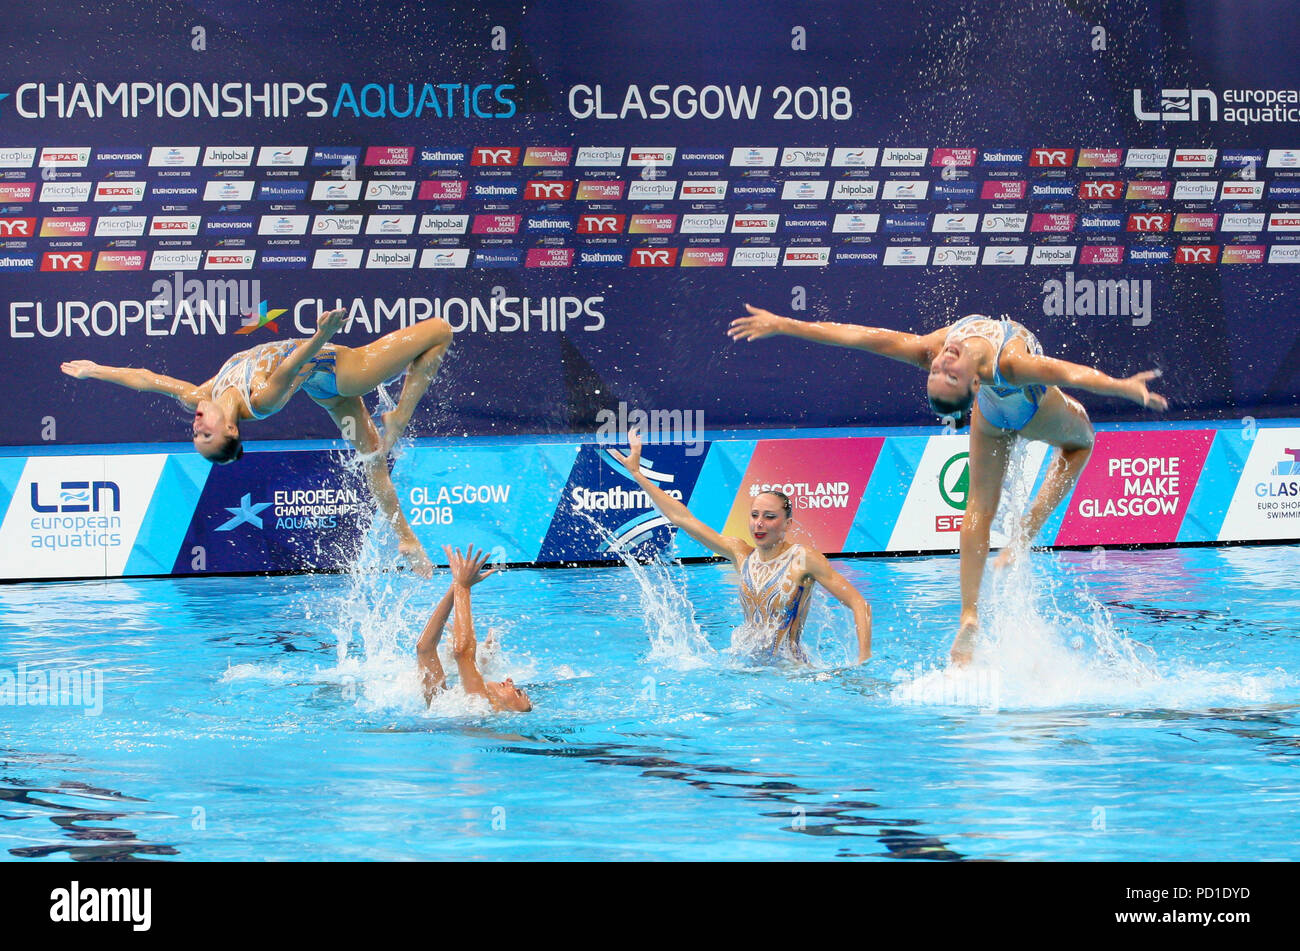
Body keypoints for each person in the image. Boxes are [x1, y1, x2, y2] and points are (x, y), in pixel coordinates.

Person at [727, 304, 1168, 666]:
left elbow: (858, 334)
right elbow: (1068, 373)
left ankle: (989, 585)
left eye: (940, 368)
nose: (943, 360)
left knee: (983, 505)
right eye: (945, 370)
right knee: (1079, 445)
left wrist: (785, 325)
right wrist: (1121, 387)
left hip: (996, 415)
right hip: (1024, 407)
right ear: (974, 384)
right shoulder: (1010, 364)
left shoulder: (933, 349)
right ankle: (995, 578)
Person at [60, 308, 451, 577]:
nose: (196, 425)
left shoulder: (201, 394)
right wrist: (323, 334)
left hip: (323, 387)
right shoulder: (261, 400)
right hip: (345, 372)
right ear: (231, 431)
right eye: (206, 435)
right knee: (439, 330)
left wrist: (96, 370)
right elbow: (290, 366)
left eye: (196, 434)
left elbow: (146, 379)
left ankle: (406, 539)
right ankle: (398, 417)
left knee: (372, 459)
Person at [609, 429, 872, 664]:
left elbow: (859, 604)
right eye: (755, 515)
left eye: (770, 517)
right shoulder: (740, 553)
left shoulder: (803, 559)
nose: (760, 524)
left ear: (787, 523)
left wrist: (863, 660)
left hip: (790, 672)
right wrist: (637, 475)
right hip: (744, 666)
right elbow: (682, 518)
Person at [416, 545, 532, 712]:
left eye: (518, 692)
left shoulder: (484, 706)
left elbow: (463, 653)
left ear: (508, 710)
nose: (510, 681)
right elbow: (424, 649)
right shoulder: (450, 704)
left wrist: (463, 586)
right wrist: (456, 584)